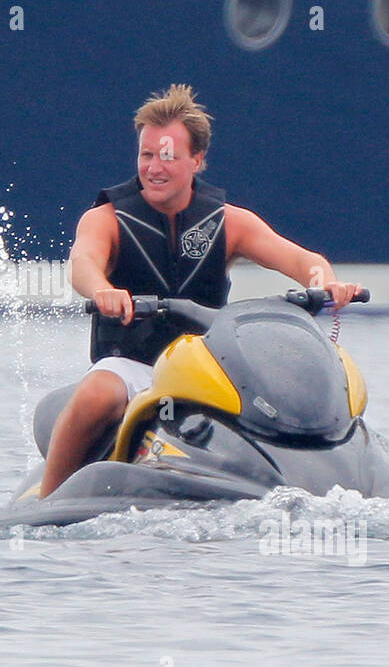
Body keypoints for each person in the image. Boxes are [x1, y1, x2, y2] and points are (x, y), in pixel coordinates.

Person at [39, 84, 364, 498]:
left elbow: (302, 260)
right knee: (98, 394)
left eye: (168, 156)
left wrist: (326, 284)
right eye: (146, 155)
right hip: (134, 366)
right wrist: (103, 291)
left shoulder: (230, 222)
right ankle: (46, 501)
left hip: (208, 369)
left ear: (197, 160)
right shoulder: (106, 219)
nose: (155, 167)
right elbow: (82, 263)